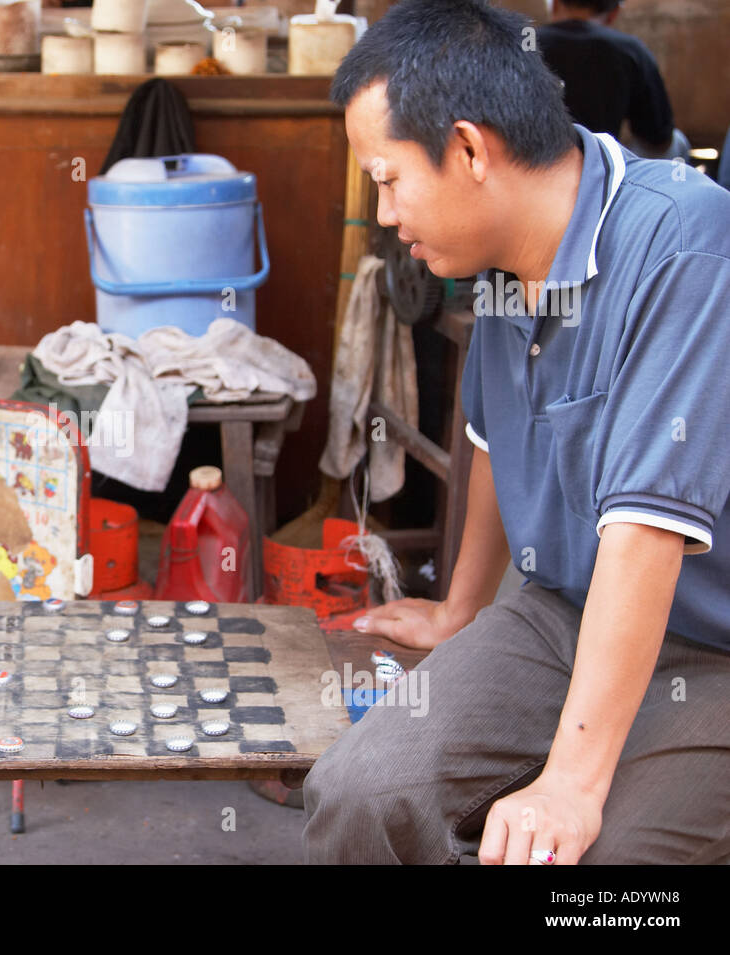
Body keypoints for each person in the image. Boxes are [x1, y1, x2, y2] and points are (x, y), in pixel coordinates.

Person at [303, 0, 730, 865]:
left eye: (389, 179)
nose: (385, 213)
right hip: (558, 616)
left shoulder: (686, 241)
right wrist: (462, 610)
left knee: (596, 877)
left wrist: (572, 781)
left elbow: (646, 532)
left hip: (712, 652)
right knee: (359, 794)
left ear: (468, 149)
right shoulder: (495, 263)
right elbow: (496, 442)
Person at [536, 0, 687, 160]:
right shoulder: (631, 50)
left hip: (533, 163)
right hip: (599, 163)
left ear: (555, 5)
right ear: (614, 13)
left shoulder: (525, 45)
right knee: (677, 142)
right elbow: (658, 137)